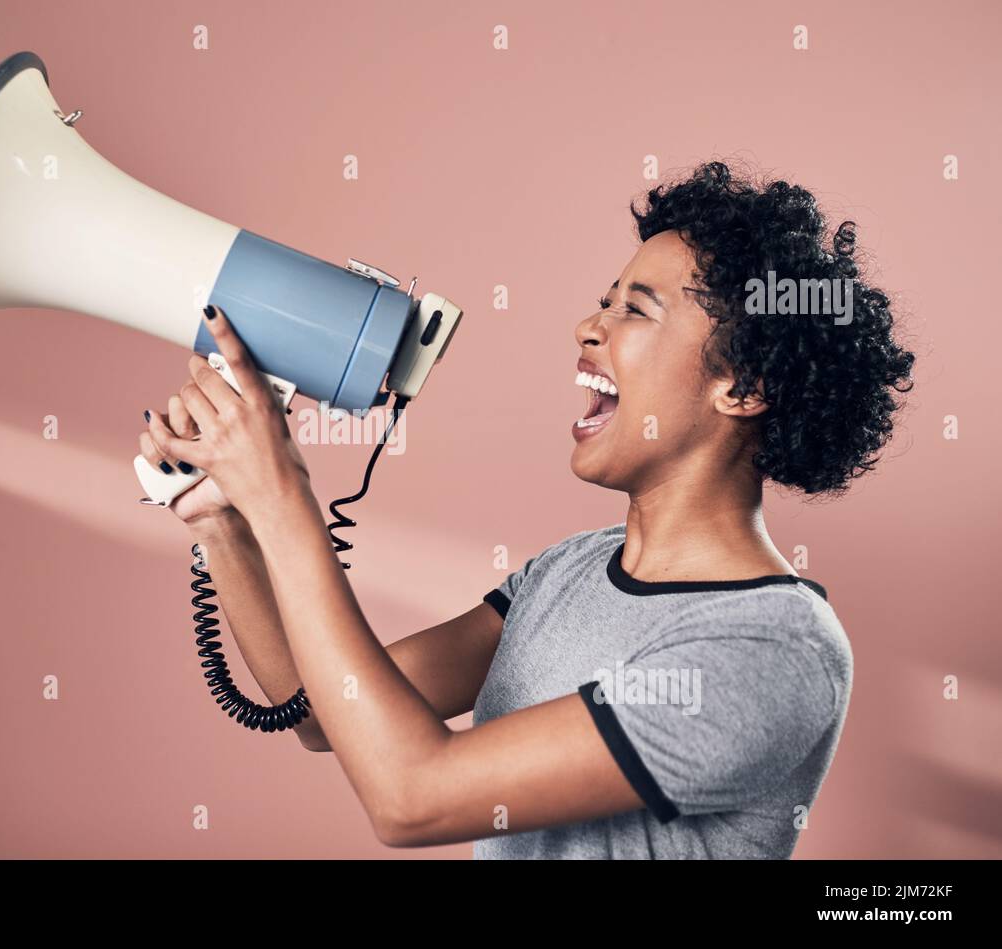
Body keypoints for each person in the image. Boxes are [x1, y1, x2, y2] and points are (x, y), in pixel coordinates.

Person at [138, 161, 915, 858]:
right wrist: (226, 519)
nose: (588, 326)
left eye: (636, 311)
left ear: (744, 388)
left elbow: (412, 797)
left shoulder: (773, 649)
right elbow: (317, 712)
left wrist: (282, 493)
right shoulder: (570, 570)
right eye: (603, 301)